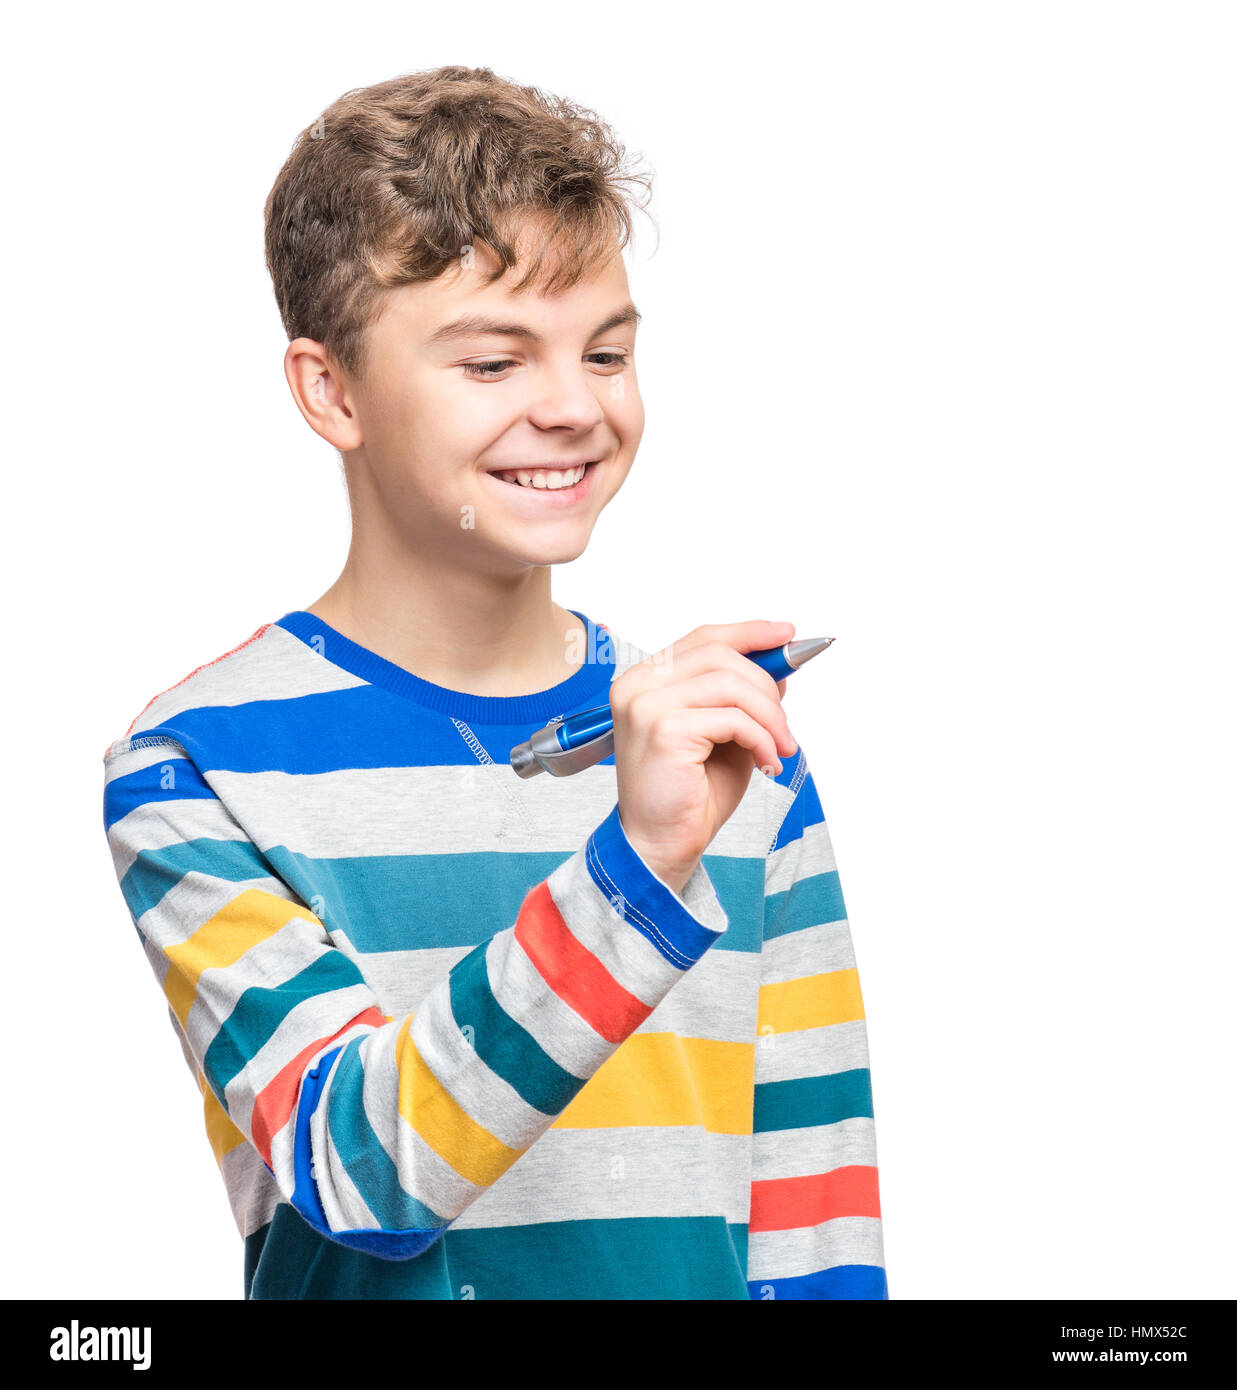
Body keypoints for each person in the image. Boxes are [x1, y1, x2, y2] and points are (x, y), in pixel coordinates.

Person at [101, 64, 888, 1301]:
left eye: (609, 351)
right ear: (332, 390)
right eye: (492, 363)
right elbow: (356, 1171)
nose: (574, 407)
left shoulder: (725, 743)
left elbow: (812, 1219)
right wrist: (636, 870)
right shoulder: (196, 765)